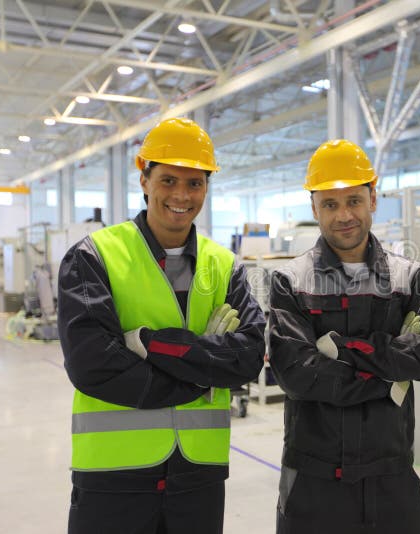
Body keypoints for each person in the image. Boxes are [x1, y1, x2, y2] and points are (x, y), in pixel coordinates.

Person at [58, 117, 266, 534]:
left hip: (199, 474)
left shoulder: (222, 265)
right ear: (144, 178)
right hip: (113, 474)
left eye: (194, 184)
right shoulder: (94, 256)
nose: (181, 195)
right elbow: (92, 365)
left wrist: (149, 344)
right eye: (169, 180)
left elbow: (248, 357)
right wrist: (203, 375)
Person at [268, 139, 420, 534]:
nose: (344, 215)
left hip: (392, 475)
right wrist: (388, 376)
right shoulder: (290, 280)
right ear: (314, 207)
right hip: (312, 480)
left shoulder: (409, 276)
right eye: (330, 204)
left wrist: (341, 352)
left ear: (373, 199)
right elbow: (297, 375)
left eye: (354, 200)